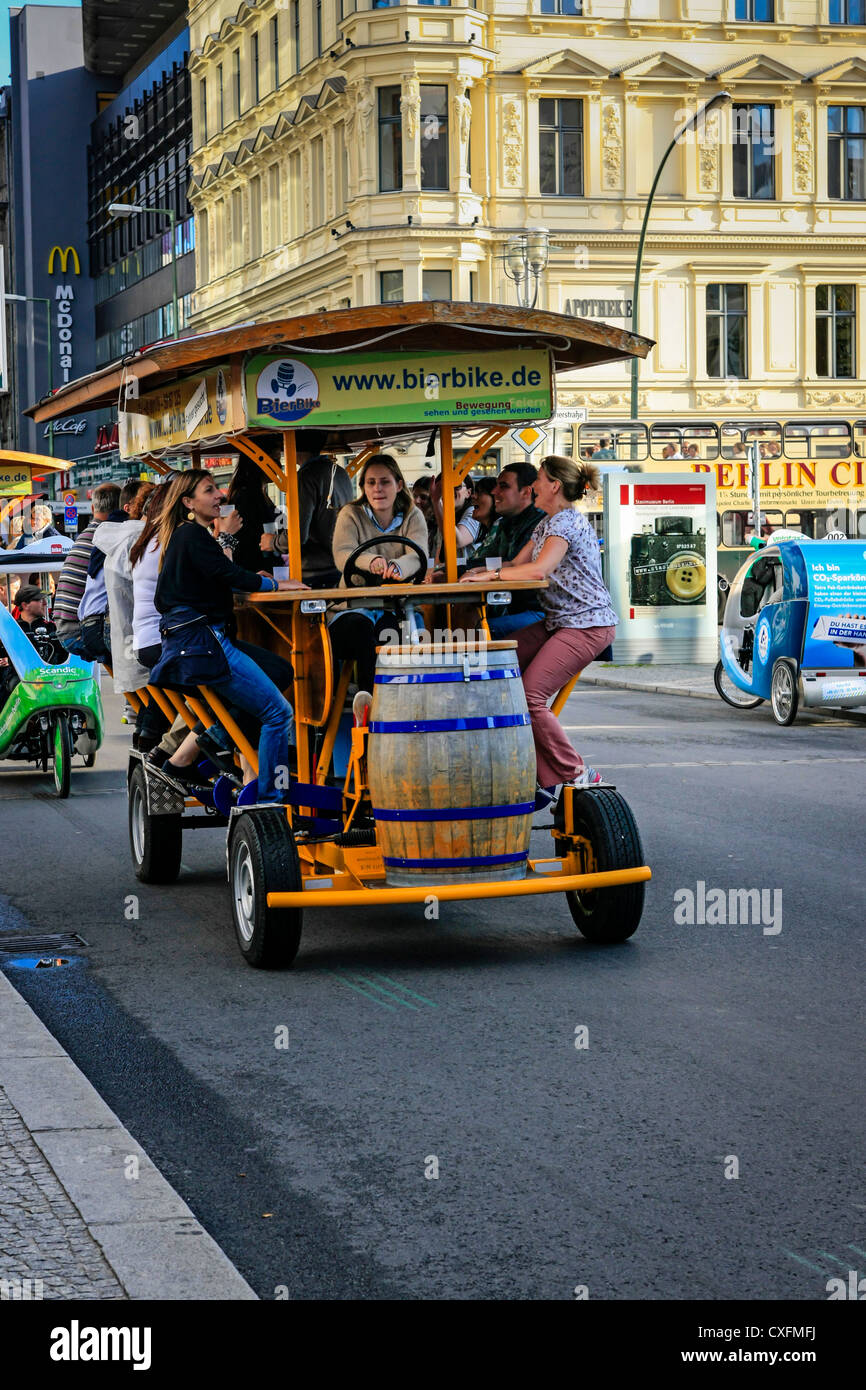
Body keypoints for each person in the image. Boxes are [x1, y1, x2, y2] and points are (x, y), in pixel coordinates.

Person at [462, 455, 617, 797]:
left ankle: (577, 772)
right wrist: (474, 572)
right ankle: (536, 771)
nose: (534, 486)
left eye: (540, 480)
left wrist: (494, 575)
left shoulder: (565, 524)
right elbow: (517, 563)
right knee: (497, 671)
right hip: (559, 622)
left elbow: (537, 571)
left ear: (555, 486)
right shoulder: (546, 524)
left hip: (586, 625)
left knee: (530, 696)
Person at [153, 470, 307, 802]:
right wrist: (277, 584)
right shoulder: (191, 535)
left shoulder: (189, 535)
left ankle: (213, 741)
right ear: (188, 503)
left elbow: (223, 575)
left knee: (280, 671)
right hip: (206, 643)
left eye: (216, 489)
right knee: (279, 713)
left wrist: (251, 574)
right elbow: (227, 574)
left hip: (201, 642)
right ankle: (270, 798)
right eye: (209, 491)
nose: (220, 495)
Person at [330, 454, 429, 692]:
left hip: (397, 606)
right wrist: (370, 561)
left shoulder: (413, 515)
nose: (378, 489)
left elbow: (418, 555)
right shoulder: (350, 514)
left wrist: (397, 567)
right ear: (363, 487)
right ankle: (369, 708)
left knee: (395, 632)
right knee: (362, 631)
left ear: (399, 485)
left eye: (384, 482)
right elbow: (343, 554)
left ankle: (399, 703)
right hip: (351, 606)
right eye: (371, 482)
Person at [462, 463, 546, 637]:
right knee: (463, 619)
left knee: (474, 630)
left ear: (526, 491)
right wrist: (470, 570)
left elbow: (516, 565)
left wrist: (480, 572)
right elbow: (487, 559)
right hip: (512, 606)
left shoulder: (540, 522)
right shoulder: (507, 522)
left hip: (541, 612)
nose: (495, 492)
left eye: (504, 486)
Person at [76, 479, 145, 665]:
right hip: (95, 625)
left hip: (86, 623)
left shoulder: (99, 532)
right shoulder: (127, 534)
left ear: (93, 508)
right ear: (127, 507)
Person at [52, 482, 120, 654]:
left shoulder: (86, 535)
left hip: (64, 627)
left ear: (92, 508)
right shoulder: (106, 537)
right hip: (79, 632)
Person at [295, 429, 353, 587]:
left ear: (293, 447)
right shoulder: (341, 472)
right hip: (342, 565)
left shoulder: (305, 477)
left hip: (314, 572)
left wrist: (273, 542)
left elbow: (299, 534)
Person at [225, 455, 277, 573]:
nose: (278, 465)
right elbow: (245, 541)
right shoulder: (246, 496)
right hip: (257, 570)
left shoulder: (259, 493)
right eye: (275, 458)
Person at [429, 472, 479, 569]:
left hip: (469, 578)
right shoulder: (444, 516)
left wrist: (436, 501)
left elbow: (456, 541)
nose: (449, 490)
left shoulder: (474, 513)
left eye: (456, 486)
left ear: (468, 493)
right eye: (443, 487)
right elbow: (439, 557)